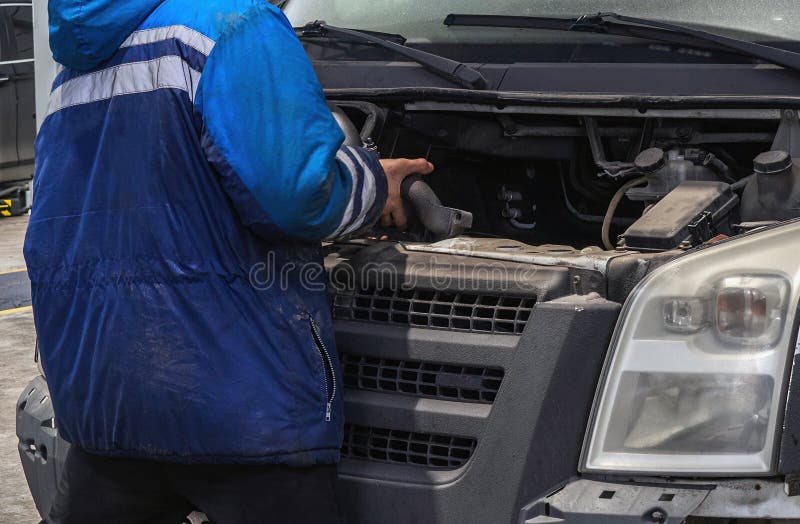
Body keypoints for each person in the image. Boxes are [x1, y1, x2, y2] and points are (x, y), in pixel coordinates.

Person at [25, 1, 434, 522]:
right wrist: (375, 182)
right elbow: (300, 196)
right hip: (240, 413)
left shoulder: (79, 61)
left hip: (108, 409)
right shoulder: (233, 24)